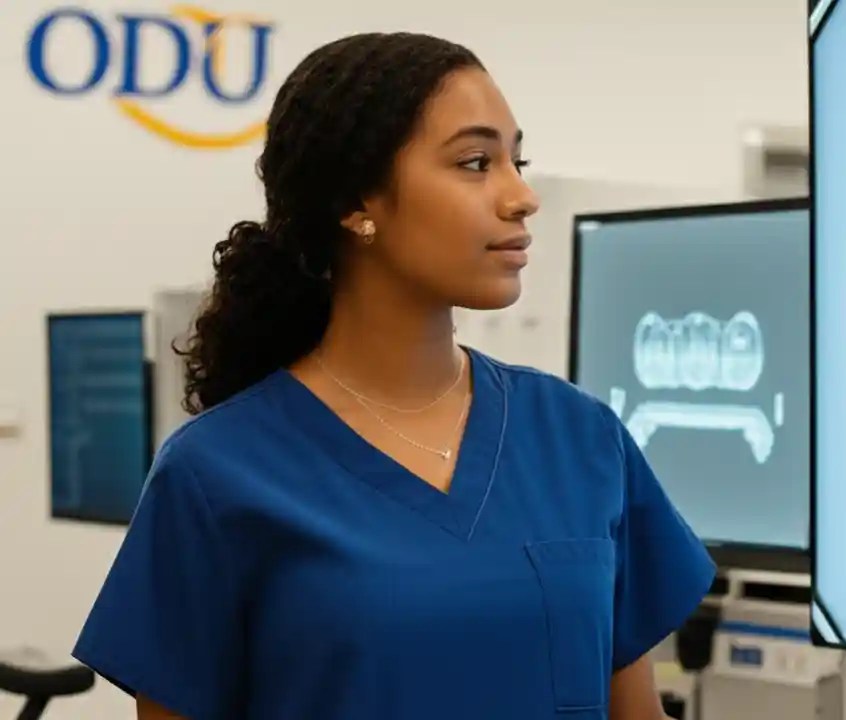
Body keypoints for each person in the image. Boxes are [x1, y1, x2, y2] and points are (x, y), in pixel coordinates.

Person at [71, 32, 715, 720]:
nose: (522, 196)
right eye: (476, 163)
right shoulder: (215, 474)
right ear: (356, 202)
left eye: (517, 161)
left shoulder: (580, 437)